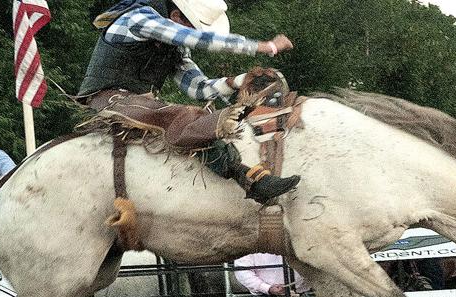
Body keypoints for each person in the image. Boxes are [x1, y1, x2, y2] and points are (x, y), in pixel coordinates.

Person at [81, 0, 300, 204]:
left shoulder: (174, 48)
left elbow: (199, 88)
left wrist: (237, 81)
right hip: (109, 100)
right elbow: (198, 40)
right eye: (194, 28)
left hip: (140, 106)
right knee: (186, 116)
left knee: (194, 123)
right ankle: (250, 179)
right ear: (176, 16)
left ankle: (246, 176)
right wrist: (265, 46)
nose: (194, 35)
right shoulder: (139, 19)